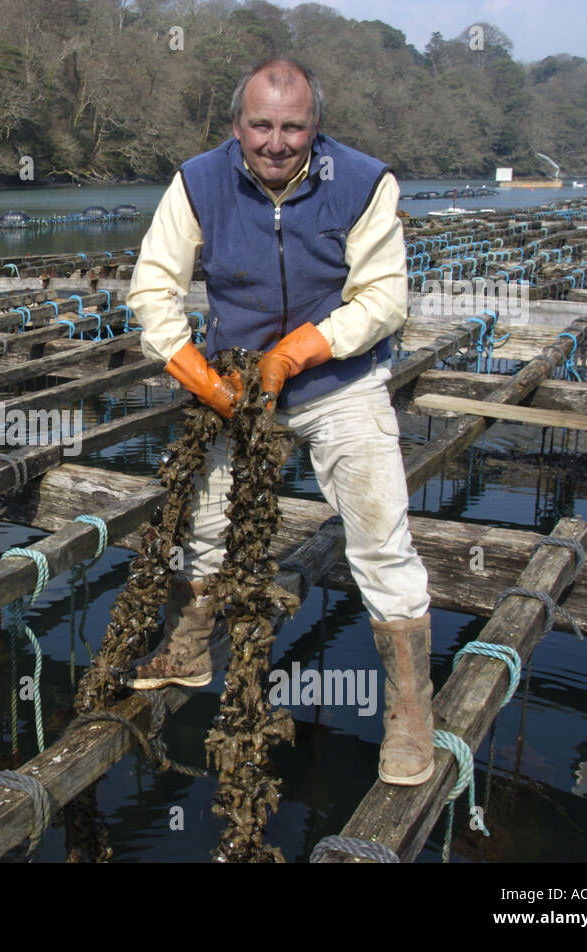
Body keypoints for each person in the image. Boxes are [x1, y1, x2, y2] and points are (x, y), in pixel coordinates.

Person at [124, 57, 435, 786]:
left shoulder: (364, 181)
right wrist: (199, 374)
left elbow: (385, 298)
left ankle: (411, 713)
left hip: (340, 380)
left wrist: (299, 351)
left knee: (382, 540)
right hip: (236, 381)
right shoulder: (198, 181)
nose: (276, 142)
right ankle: (190, 650)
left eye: (293, 127)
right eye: (260, 125)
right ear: (236, 126)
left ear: (314, 127)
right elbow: (152, 287)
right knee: (202, 524)